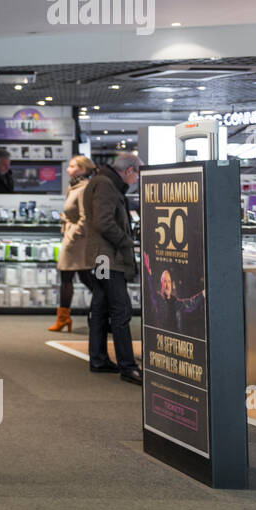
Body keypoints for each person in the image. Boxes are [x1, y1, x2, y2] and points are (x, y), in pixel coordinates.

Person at [79, 152, 143, 384]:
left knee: (101, 307)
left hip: (101, 257)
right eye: (136, 174)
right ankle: (127, 366)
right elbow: (104, 222)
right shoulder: (106, 185)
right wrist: (127, 242)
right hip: (106, 258)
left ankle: (99, 359)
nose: (136, 179)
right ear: (129, 170)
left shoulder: (101, 182)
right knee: (120, 309)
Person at [49, 155, 95, 333]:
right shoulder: (74, 186)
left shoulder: (83, 188)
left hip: (76, 241)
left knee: (68, 277)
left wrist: (73, 234)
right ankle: (63, 318)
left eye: (72, 166)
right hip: (74, 239)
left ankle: (64, 319)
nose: (68, 169)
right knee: (81, 277)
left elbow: (85, 217)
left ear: (82, 169)